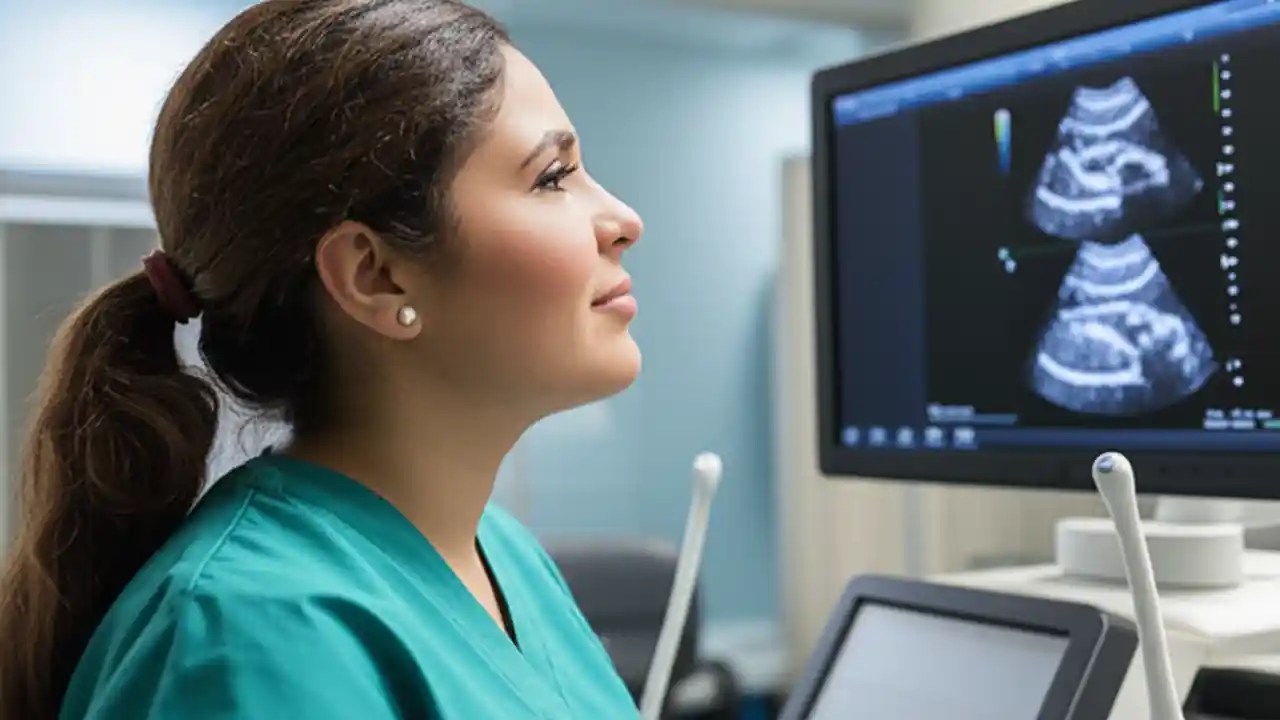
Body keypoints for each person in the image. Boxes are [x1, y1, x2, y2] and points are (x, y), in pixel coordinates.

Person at [0, 1, 647, 717]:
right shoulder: (251, 633)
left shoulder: (503, 556)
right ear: (375, 275)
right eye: (553, 177)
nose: (623, 220)